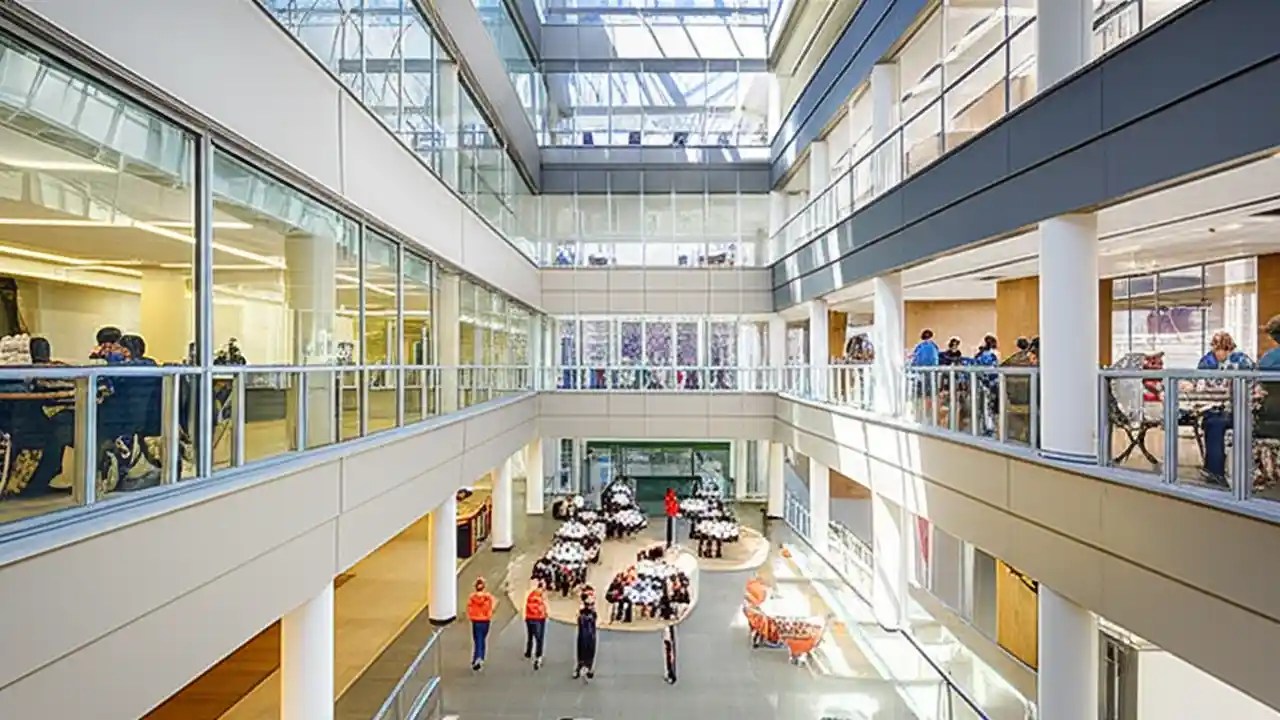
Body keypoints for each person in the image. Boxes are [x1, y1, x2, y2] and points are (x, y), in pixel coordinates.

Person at [1197, 331, 1255, 484]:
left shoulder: (1241, 361)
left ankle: (1214, 470)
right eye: (1217, 349)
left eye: (1223, 349)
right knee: (1213, 422)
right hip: (1240, 411)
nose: (1219, 352)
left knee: (1213, 423)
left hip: (1238, 410)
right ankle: (1214, 471)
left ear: (1229, 348)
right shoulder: (1208, 361)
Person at [466, 578, 495, 670]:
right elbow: (491, 607)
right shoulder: (488, 597)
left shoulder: (472, 598)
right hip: (485, 620)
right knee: (482, 639)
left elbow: (469, 608)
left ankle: (477, 658)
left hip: (476, 620)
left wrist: (471, 616)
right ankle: (480, 657)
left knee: (477, 639)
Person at [524, 579, 548, 669]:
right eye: (543, 589)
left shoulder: (533, 596)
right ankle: (538, 656)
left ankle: (529, 652)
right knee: (539, 638)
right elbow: (537, 608)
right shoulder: (536, 598)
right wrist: (542, 611)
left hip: (530, 618)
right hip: (537, 619)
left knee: (531, 636)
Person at [574, 596, 599, 680]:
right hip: (583, 635)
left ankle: (589, 667)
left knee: (590, 651)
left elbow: (594, 620)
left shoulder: (593, 613)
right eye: (588, 604)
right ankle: (579, 667)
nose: (590, 606)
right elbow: (579, 620)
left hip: (591, 635)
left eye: (592, 604)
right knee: (581, 651)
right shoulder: (582, 613)